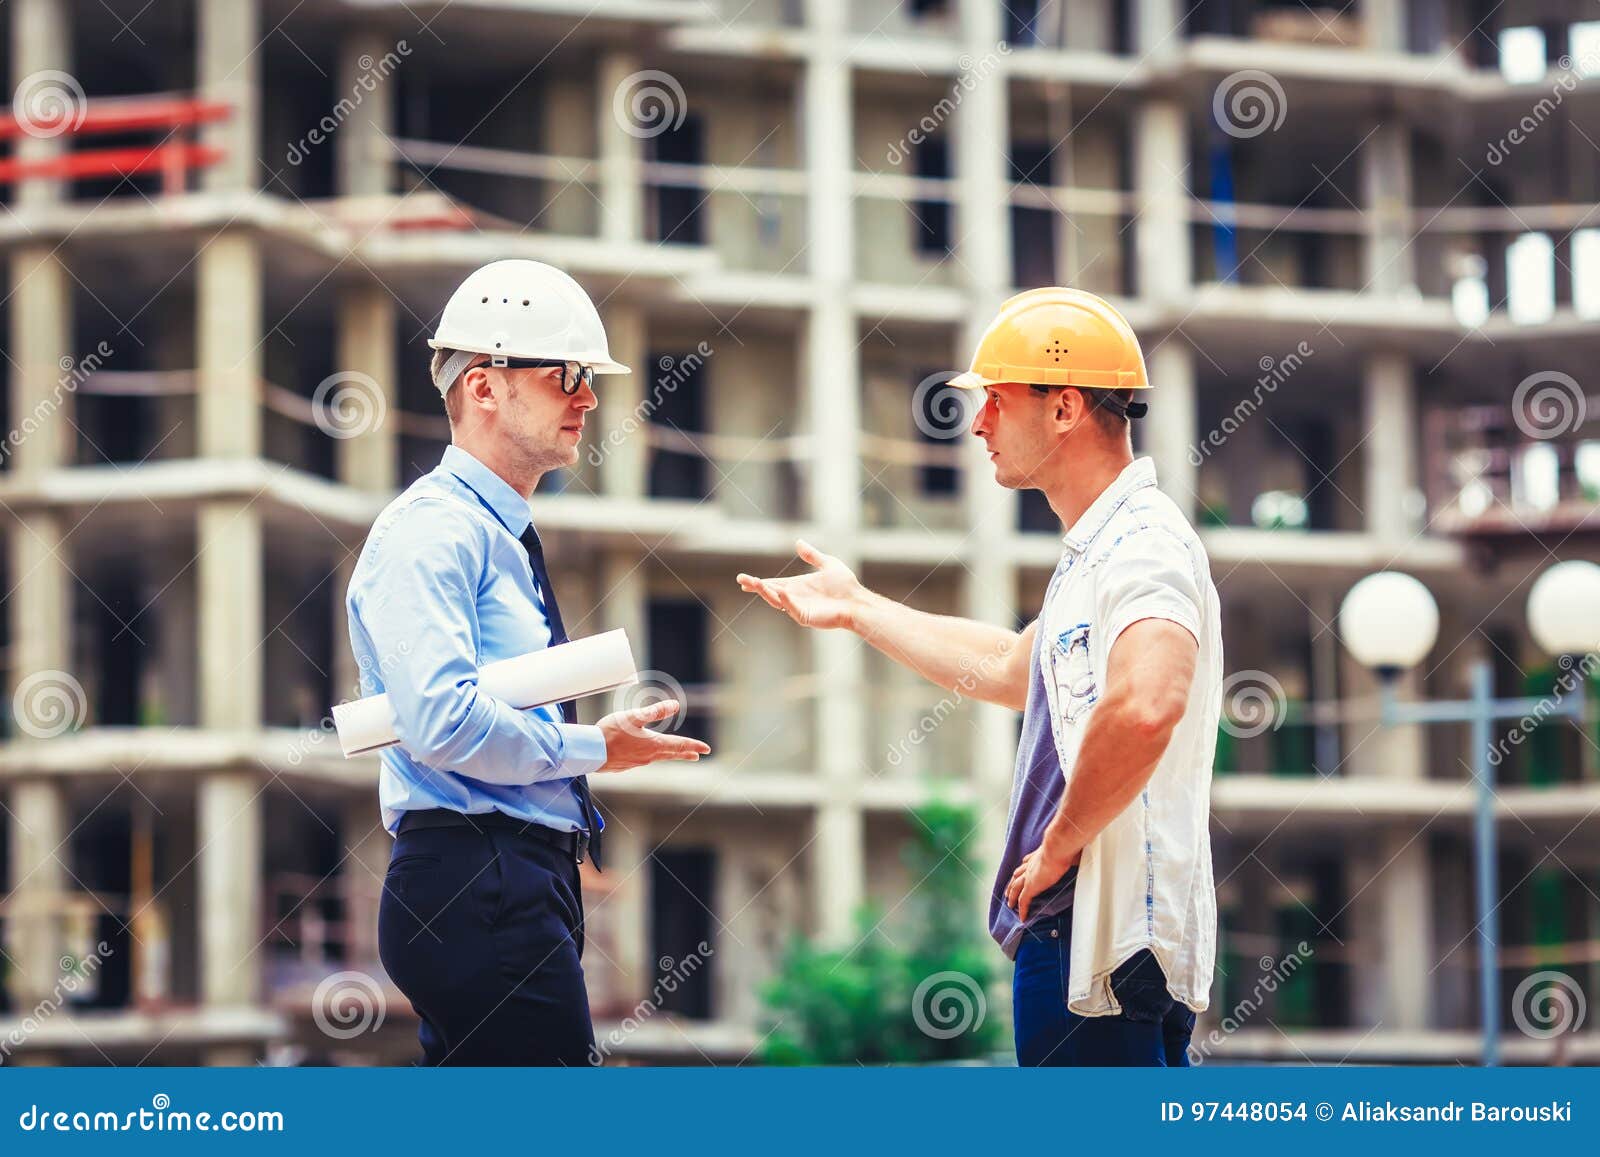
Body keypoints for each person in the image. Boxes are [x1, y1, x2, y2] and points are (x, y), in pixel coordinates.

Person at [737, 288, 1221, 1066]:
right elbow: (1006, 665)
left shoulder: (1142, 542)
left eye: (997, 398)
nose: (978, 422)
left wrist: (1058, 845)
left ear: (1064, 407)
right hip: (1089, 941)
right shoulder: (1102, 551)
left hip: (1095, 942)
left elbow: (1146, 703)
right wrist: (857, 607)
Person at [346, 259, 710, 1066]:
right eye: (565, 375)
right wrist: (590, 748)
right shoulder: (433, 532)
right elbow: (443, 720)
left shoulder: (491, 533)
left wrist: (590, 748)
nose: (588, 398)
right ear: (484, 386)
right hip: (480, 877)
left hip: (512, 881)